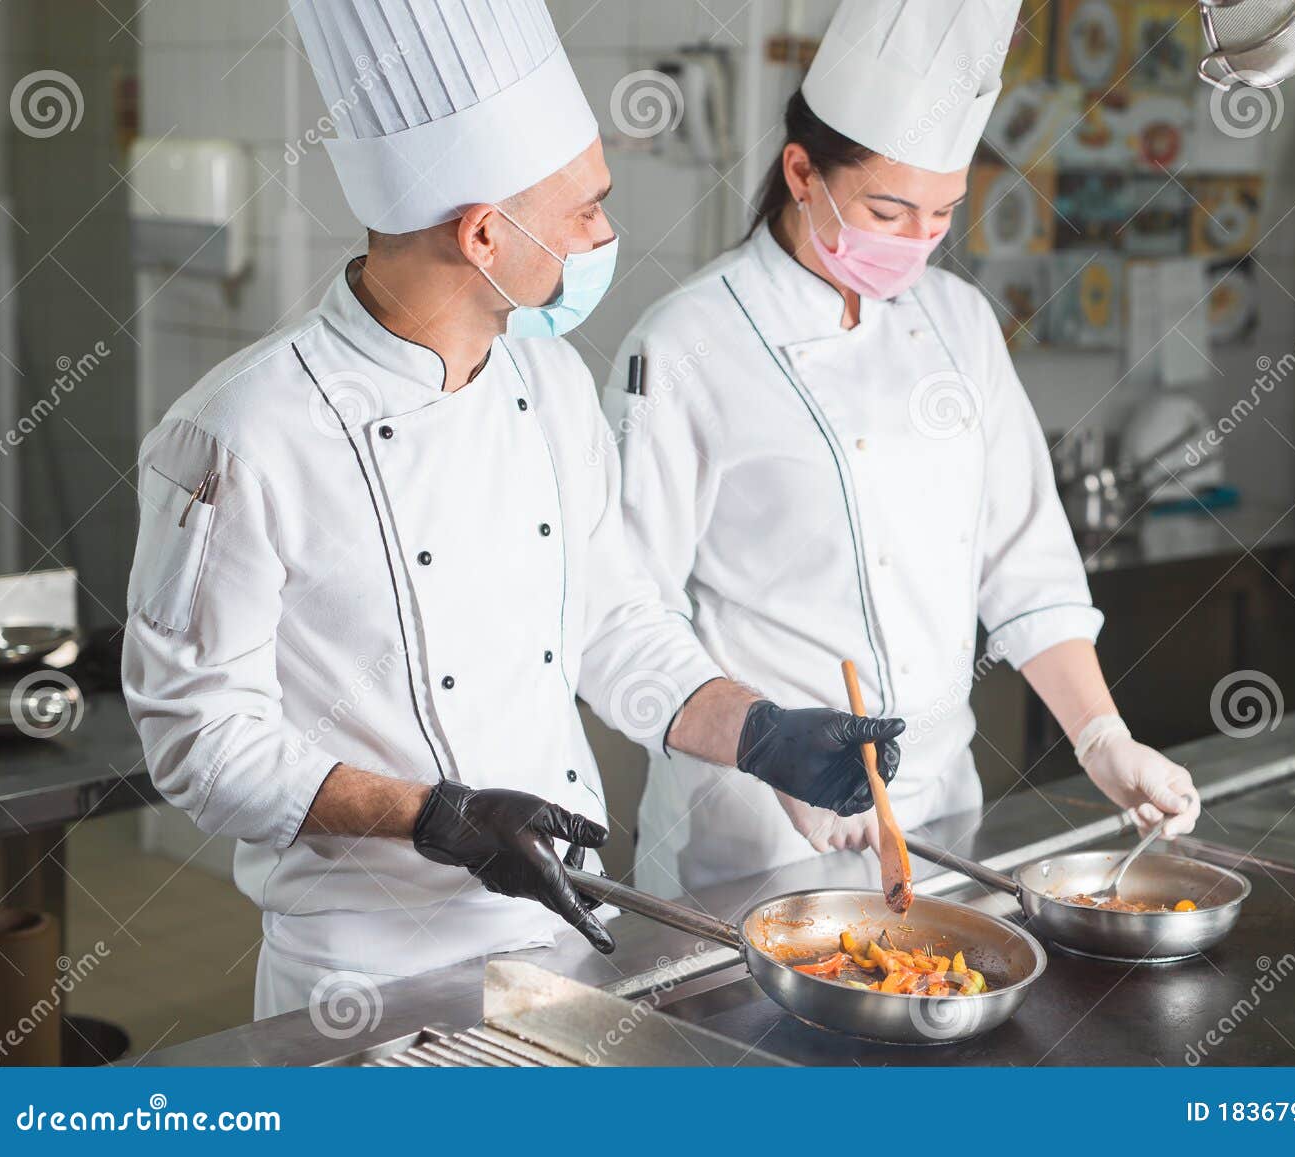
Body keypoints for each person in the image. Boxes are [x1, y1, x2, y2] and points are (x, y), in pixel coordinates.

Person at [121, 0, 901, 1019]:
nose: (605, 233)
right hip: (360, 977)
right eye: (585, 208)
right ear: (484, 234)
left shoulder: (551, 382)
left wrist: (759, 733)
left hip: (561, 938)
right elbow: (200, 744)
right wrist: (435, 818)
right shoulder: (238, 431)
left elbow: (611, 623)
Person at [606, 0, 1199, 898]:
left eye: (942, 213)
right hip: (752, 834)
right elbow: (625, 616)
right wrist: (766, 743)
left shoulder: (959, 324)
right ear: (802, 172)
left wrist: (1101, 737)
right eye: (888, 209)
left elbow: (1025, 560)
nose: (918, 243)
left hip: (943, 815)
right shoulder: (686, 343)